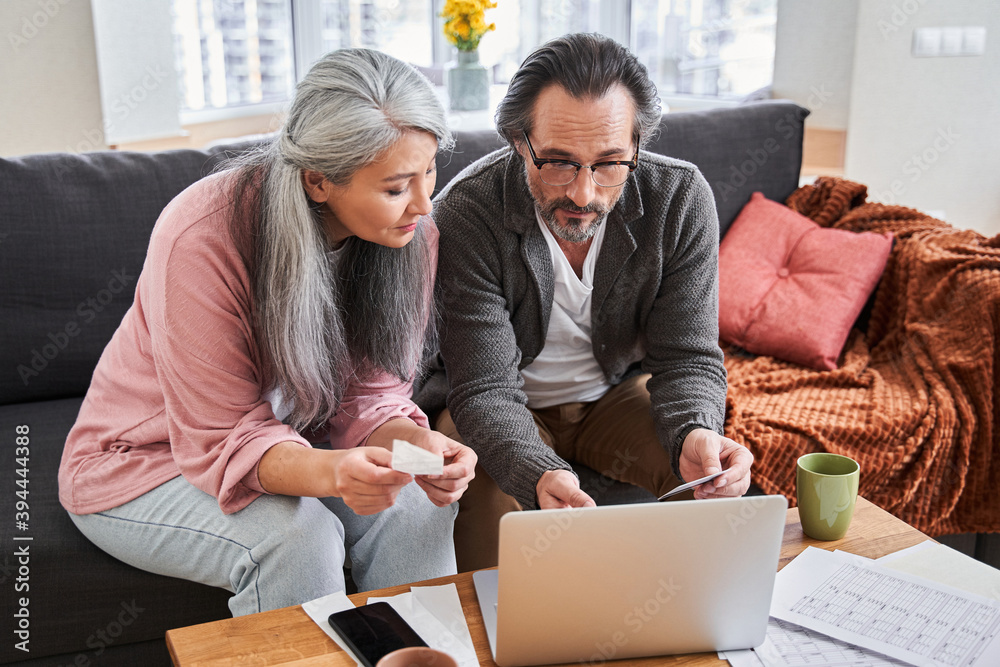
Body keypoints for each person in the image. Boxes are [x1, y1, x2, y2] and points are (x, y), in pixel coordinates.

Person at [58, 48, 477, 616]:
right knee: (295, 538)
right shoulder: (203, 235)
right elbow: (222, 436)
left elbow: (372, 399)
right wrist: (333, 472)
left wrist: (421, 448)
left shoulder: (409, 237)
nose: (424, 205)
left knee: (419, 506)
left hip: (292, 437)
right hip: (147, 459)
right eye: (397, 187)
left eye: (429, 171)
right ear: (319, 181)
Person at [428, 33, 753, 571]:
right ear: (517, 140)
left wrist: (697, 429)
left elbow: (688, 358)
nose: (584, 194)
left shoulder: (679, 198)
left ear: (637, 146)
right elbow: (483, 387)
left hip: (617, 397)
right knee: (483, 497)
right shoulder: (467, 213)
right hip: (500, 408)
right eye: (558, 161)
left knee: (708, 479)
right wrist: (537, 471)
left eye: (609, 164)